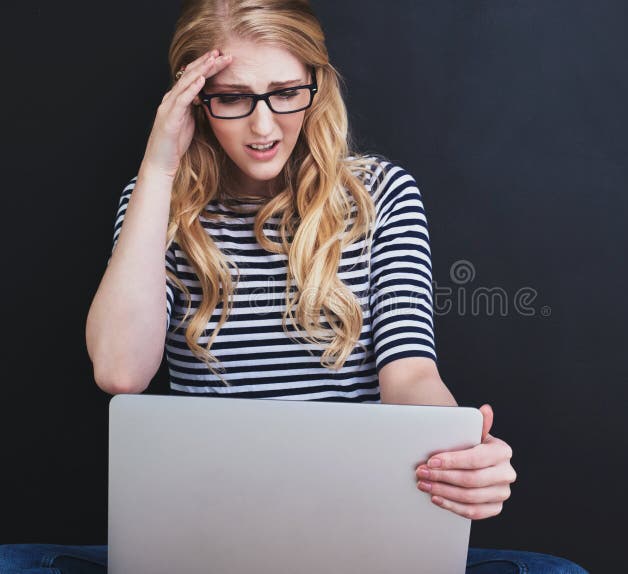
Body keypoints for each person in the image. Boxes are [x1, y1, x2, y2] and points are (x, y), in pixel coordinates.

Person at [0, 1, 587, 572]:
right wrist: (159, 169)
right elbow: (119, 372)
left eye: (285, 93)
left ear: (316, 86)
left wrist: (457, 454)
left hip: (360, 543)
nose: (263, 126)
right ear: (195, 102)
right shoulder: (156, 208)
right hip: (208, 548)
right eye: (231, 98)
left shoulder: (380, 193)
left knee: (556, 571)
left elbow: (409, 372)